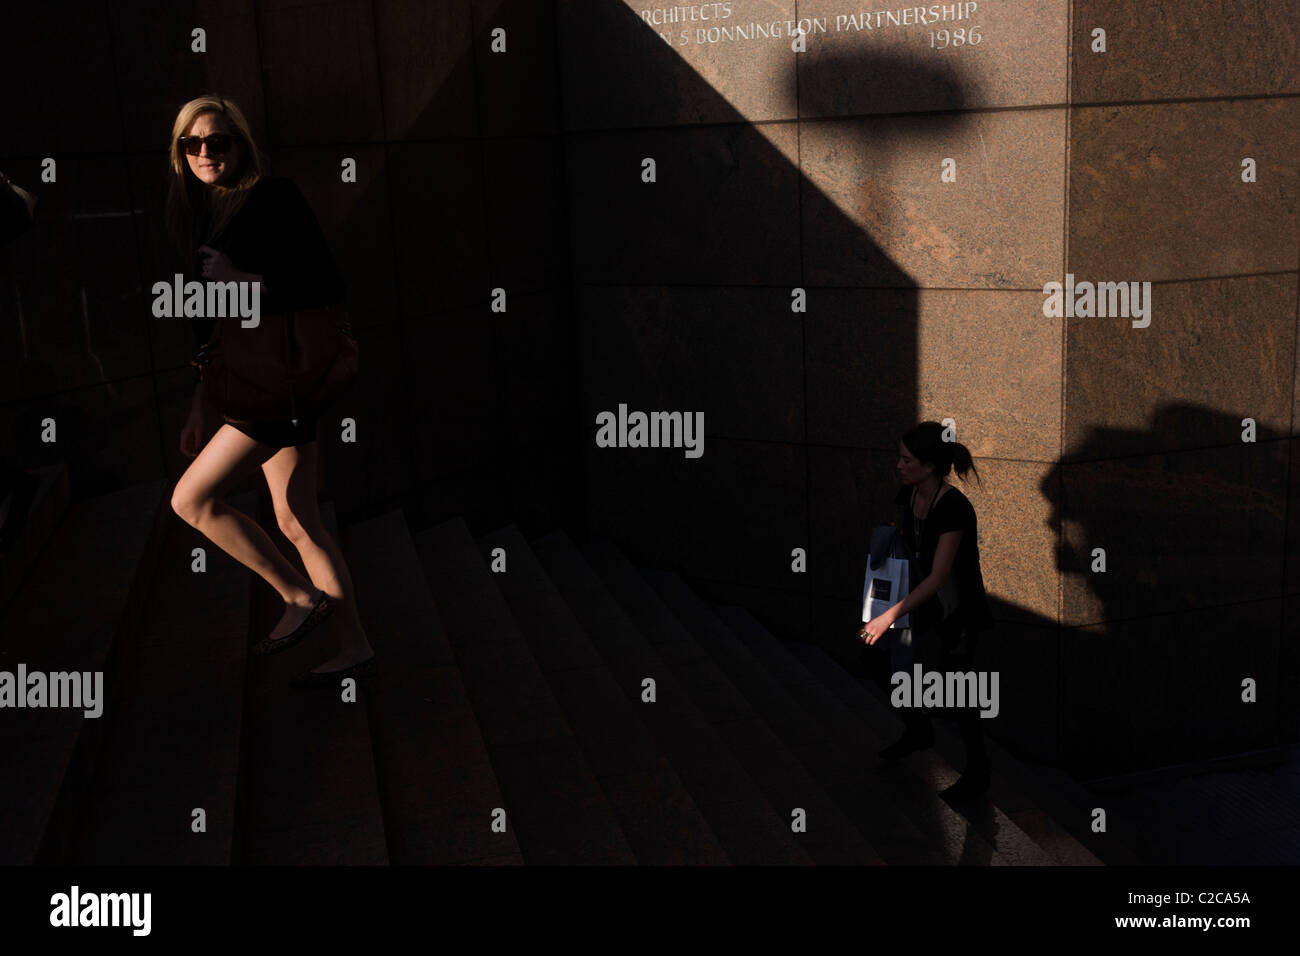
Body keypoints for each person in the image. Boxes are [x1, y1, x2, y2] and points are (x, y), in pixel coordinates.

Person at [165, 95, 374, 686]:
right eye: (193, 144)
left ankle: (297, 597)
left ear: (241, 144)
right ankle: (354, 644)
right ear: (180, 153)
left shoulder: (272, 196)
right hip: (257, 386)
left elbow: (326, 282)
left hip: (278, 383)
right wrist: (200, 404)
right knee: (297, 518)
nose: (207, 153)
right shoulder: (201, 211)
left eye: (219, 141)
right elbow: (212, 326)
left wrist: (242, 281)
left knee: (192, 501)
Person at [859, 421, 995, 800]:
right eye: (900, 458)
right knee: (882, 662)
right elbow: (912, 544)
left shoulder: (954, 508)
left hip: (957, 611)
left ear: (930, 466)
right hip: (922, 603)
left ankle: (978, 771)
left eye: (906, 460)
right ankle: (918, 728)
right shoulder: (910, 492)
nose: (898, 466)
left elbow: (938, 578)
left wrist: (886, 617)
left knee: (960, 691)